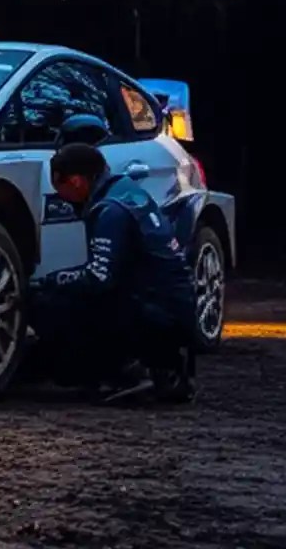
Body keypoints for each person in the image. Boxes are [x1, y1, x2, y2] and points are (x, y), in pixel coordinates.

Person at [30, 142, 198, 403]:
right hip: (177, 311)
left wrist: (46, 282)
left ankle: (131, 372)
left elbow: (100, 277)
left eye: (59, 188)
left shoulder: (110, 211)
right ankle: (168, 370)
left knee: (48, 302)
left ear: (75, 182)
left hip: (155, 315)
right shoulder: (129, 192)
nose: (59, 196)